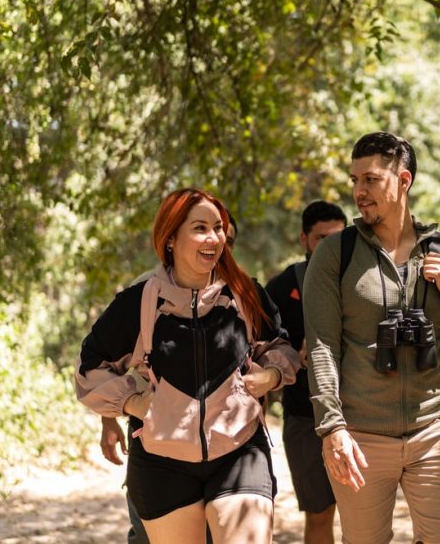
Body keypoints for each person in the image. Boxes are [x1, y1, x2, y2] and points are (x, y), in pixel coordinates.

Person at [76, 188, 299, 544]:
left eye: (218, 227)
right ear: (170, 238)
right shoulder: (138, 302)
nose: (214, 237)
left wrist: (271, 374)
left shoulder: (245, 294)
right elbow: (90, 367)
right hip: (162, 461)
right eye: (200, 228)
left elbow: (280, 346)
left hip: (239, 450)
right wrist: (132, 403)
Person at [303, 131, 440, 544]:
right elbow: (321, 347)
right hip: (362, 437)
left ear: (403, 180)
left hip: (437, 429)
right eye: (355, 180)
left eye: (371, 179)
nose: (359, 192)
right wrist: (332, 427)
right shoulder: (335, 254)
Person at [97, 215, 241, 544]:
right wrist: (108, 419)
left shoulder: (239, 294)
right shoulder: (145, 290)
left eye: (227, 239)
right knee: (148, 533)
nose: (218, 245)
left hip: (222, 439)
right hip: (153, 432)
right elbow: (106, 361)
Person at [265, 201, 348, 544]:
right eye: (321, 239)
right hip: (304, 418)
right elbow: (258, 349)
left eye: (338, 238)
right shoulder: (281, 288)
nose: (331, 247)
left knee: (366, 519)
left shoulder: (366, 279)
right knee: (319, 514)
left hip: (364, 415)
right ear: (304, 239)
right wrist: (291, 357)